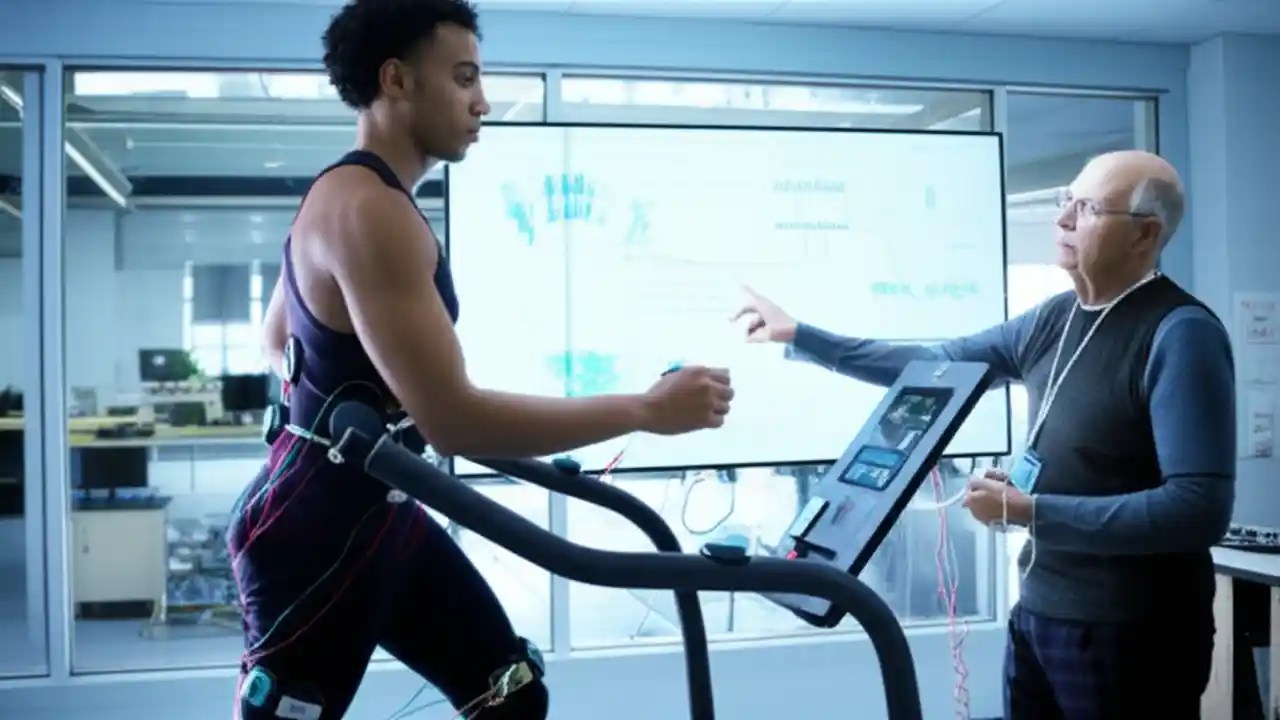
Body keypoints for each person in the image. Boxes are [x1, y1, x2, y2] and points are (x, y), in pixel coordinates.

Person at [226, 2, 734, 718]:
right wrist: (646, 410)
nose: (482, 101)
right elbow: (454, 422)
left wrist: (367, 408)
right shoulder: (370, 209)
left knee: (511, 696)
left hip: (380, 512)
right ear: (397, 80)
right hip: (318, 537)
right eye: (463, 78)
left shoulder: (342, 193)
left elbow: (281, 340)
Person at [733, 149, 1235, 719]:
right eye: (1063, 201)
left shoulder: (1181, 333)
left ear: (1145, 235)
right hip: (1040, 612)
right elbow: (933, 366)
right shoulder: (1055, 317)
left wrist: (1033, 511)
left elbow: (1198, 509)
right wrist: (801, 334)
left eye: (1088, 208)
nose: (1063, 219)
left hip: (1132, 630)